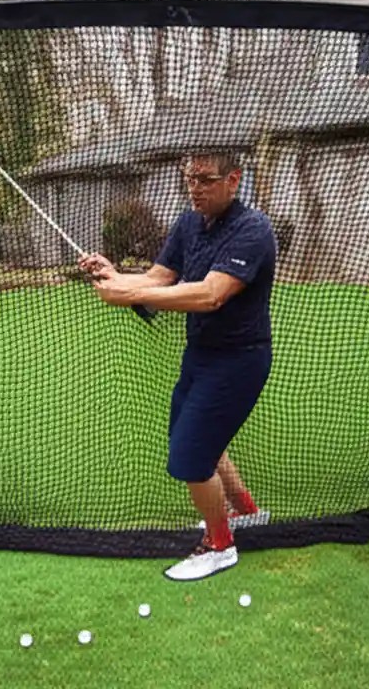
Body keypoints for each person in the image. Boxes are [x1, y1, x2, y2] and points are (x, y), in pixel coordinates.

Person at [80, 152, 276, 581]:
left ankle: (220, 545)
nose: (195, 188)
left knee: (190, 459)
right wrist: (116, 276)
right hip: (201, 356)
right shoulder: (189, 224)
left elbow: (210, 295)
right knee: (200, 439)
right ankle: (247, 512)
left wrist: (127, 295)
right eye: (190, 179)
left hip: (241, 360)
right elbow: (158, 279)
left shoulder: (254, 230)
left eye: (205, 179)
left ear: (233, 180)